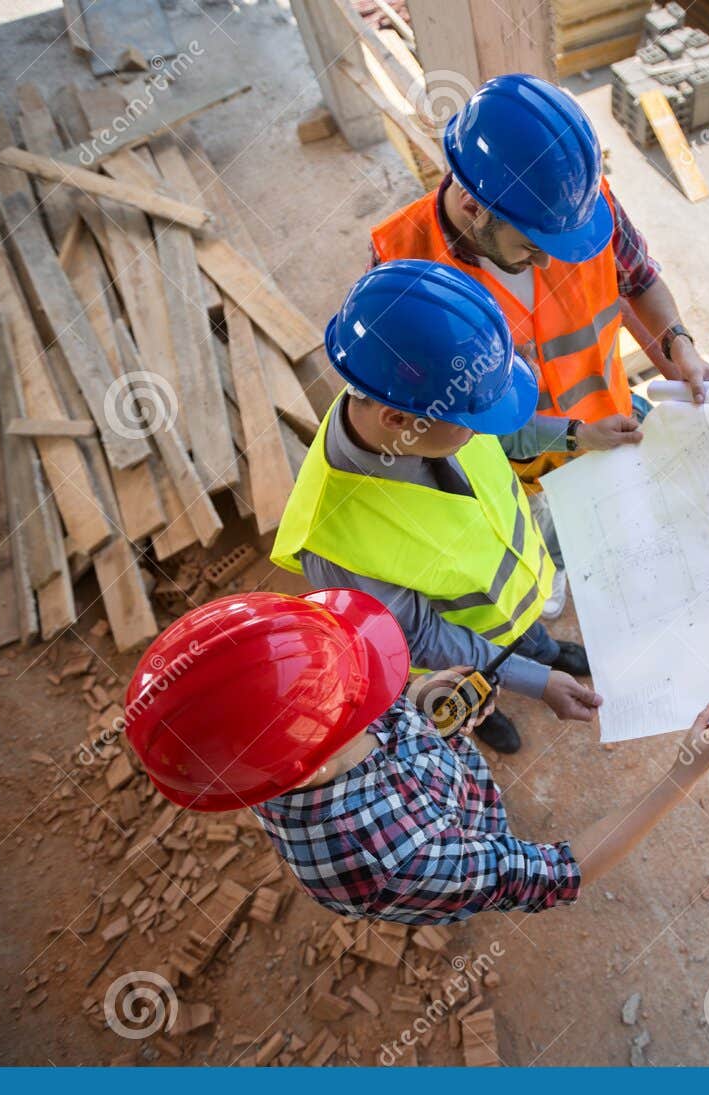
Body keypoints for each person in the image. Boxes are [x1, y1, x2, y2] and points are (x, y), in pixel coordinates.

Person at [123, 589, 709, 925]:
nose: (379, 690)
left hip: (437, 803)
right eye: (363, 696)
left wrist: (417, 697)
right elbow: (563, 873)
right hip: (443, 855)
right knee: (485, 875)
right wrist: (684, 771)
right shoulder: (403, 862)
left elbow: (368, 715)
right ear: (309, 762)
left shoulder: (266, 754)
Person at [369, 74, 709, 608]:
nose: (548, 261)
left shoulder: (578, 209)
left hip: (607, 425)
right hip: (516, 470)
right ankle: (549, 572)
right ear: (472, 205)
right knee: (540, 543)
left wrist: (679, 345)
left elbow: (641, 279)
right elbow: (446, 420)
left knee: (608, 525)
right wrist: (574, 435)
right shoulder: (402, 270)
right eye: (531, 247)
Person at [270, 259, 636, 754]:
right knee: (473, 690)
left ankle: (545, 650)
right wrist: (534, 682)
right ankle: (491, 710)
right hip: (461, 656)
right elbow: (423, 637)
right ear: (398, 419)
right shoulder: (332, 539)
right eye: (472, 421)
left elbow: (504, 431)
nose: (481, 431)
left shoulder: (431, 409)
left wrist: (576, 434)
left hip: (517, 599)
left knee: (534, 641)